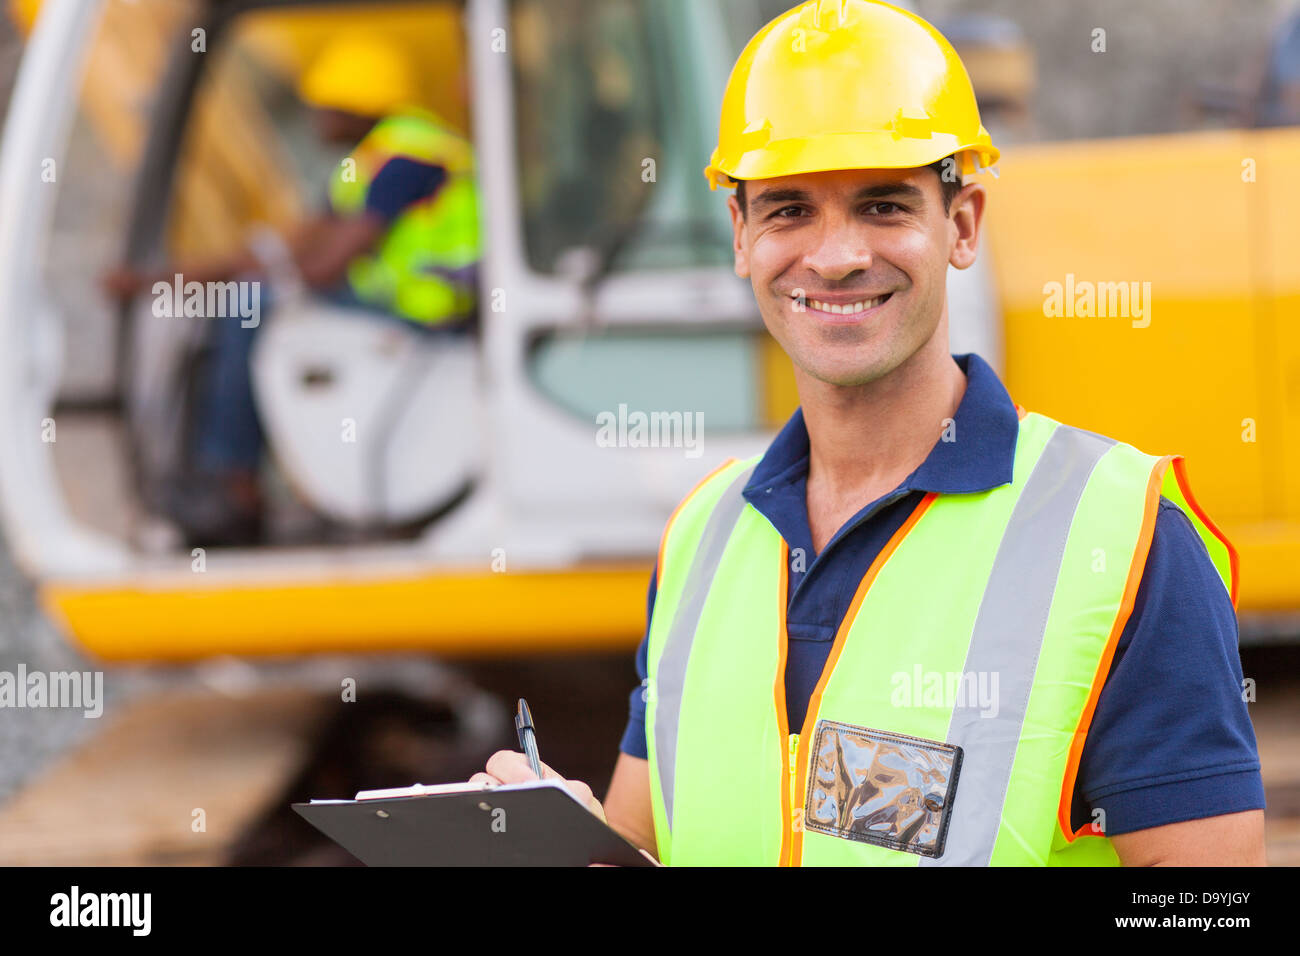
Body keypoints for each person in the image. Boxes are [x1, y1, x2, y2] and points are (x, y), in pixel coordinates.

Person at [471, 0, 1265, 866]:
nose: (837, 254)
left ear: (961, 226)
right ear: (740, 236)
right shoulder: (704, 535)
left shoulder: (1122, 536)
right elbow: (644, 846)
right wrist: (563, 836)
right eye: (788, 210)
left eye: (884, 206)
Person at [104, 35, 480, 545]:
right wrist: (162, 280)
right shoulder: (375, 159)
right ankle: (235, 475)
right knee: (247, 297)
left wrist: (269, 275)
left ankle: (234, 480)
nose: (314, 117)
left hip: (431, 314)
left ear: (354, 105)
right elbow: (290, 243)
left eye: (323, 106)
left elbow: (327, 262)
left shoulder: (405, 159)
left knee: (250, 307)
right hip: (408, 306)